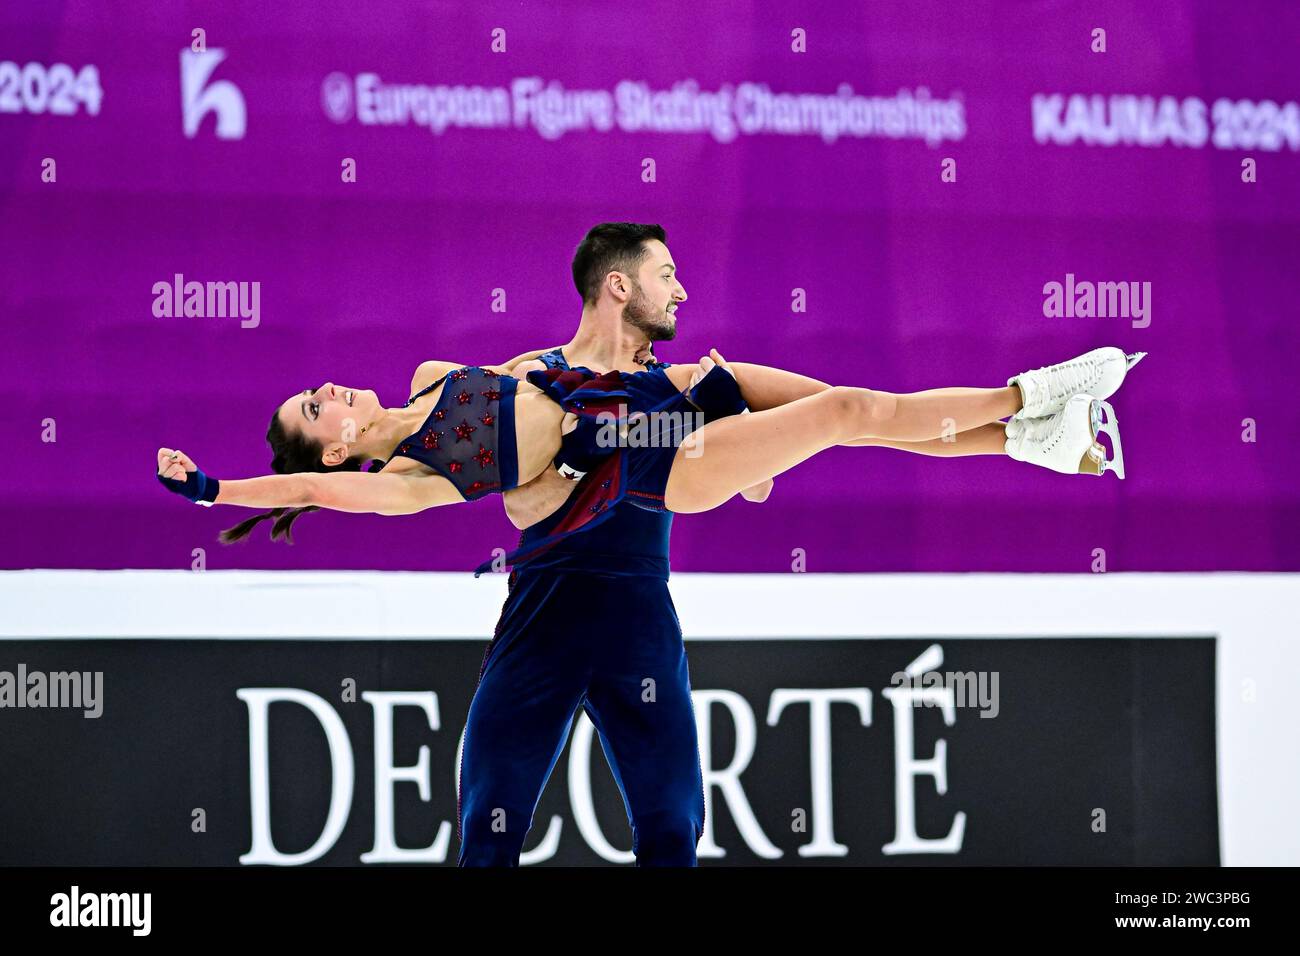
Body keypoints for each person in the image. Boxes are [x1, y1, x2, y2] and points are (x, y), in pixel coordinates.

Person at [155, 223, 1143, 865]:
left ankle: (1025, 428)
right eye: (312, 405)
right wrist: (212, 488)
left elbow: (534, 376)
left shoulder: (428, 374)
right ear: (328, 441)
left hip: (642, 405)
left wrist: (623, 381)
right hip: (642, 454)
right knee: (840, 411)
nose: (327, 388)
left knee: (849, 405)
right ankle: (1027, 408)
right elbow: (309, 492)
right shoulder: (413, 479)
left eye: (316, 386)